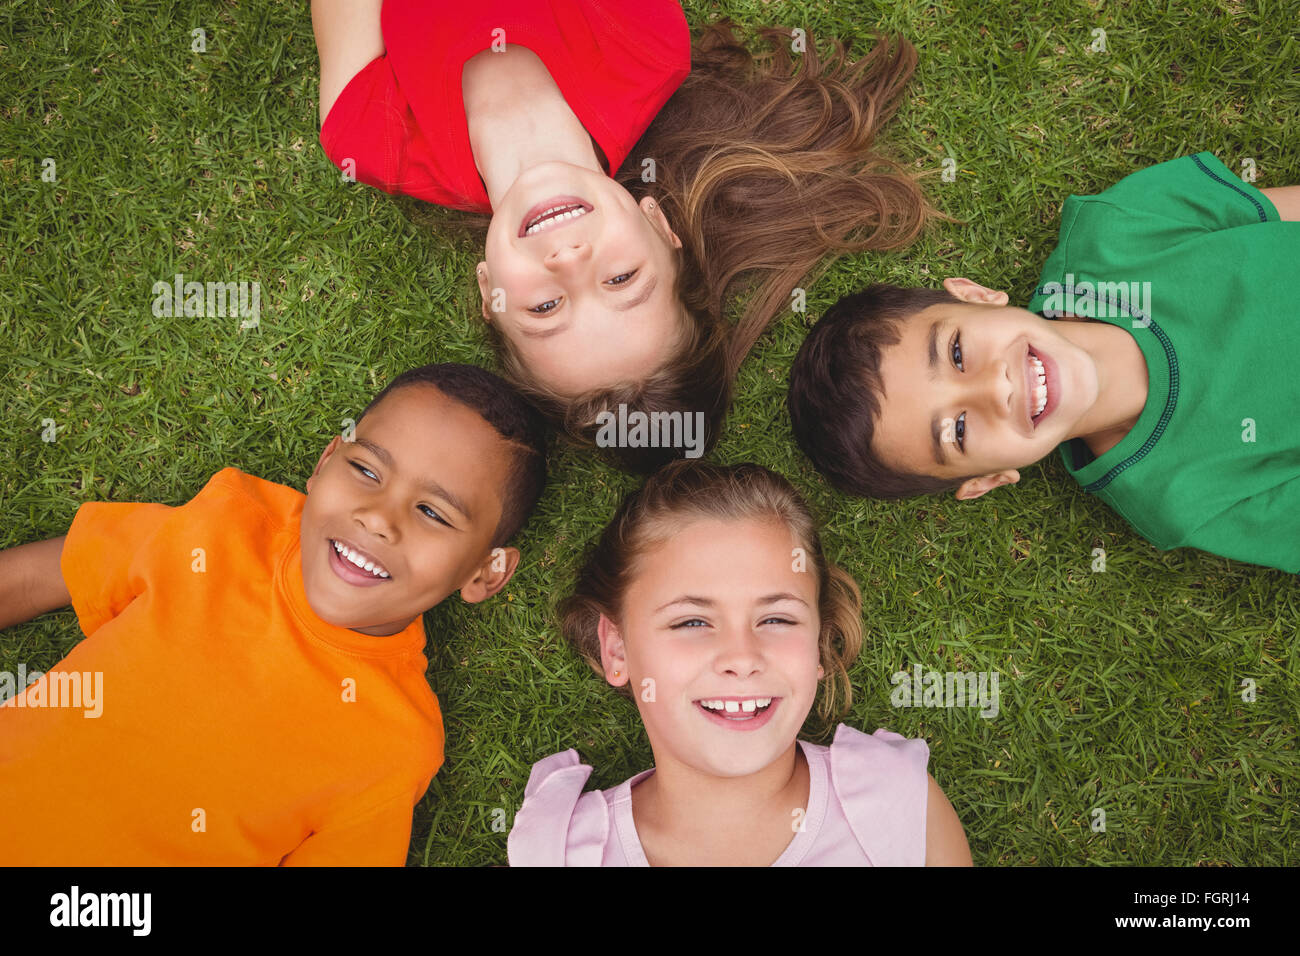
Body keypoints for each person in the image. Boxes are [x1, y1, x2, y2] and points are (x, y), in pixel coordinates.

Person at [312, 0, 933, 471]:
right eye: (620, 279)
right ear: (660, 225)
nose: (569, 259)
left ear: (488, 291)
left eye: (546, 306)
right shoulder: (646, 48)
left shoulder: (371, 141)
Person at [0, 363, 547, 864]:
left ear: (486, 572)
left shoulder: (396, 745)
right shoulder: (225, 529)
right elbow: (39, 574)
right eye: (366, 470)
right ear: (325, 462)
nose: (378, 518)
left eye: (432, 511)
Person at [787, 153, 1300, 573]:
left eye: (957, 353)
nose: (995, 390)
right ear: (987, 479)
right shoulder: (1180, 499)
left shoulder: (1121, 229)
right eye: (958, 431)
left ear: (977, 294)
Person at [507, 461, 972, 865]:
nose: (742, 658)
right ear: (617, 650)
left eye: (776, 618)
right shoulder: (560, 852)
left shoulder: (898, 806)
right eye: (691, 622)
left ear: (818, 645)